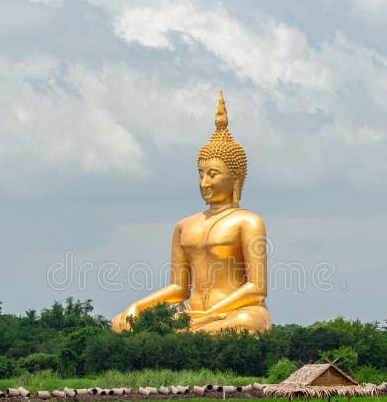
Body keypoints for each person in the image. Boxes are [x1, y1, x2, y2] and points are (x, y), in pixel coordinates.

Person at [111, 92, 271, 334]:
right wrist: (137, 306)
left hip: (235, 313)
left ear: (235, 177)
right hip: (193, 316)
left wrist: (212, 314)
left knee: (247, 325)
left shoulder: (248, 222)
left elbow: (257, 288)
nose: (204, 183)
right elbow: (179, 288)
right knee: (120, 323)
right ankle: (190, 332)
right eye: (200, 174)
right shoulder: (184, 226)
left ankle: (189, 334)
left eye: (213, 174)